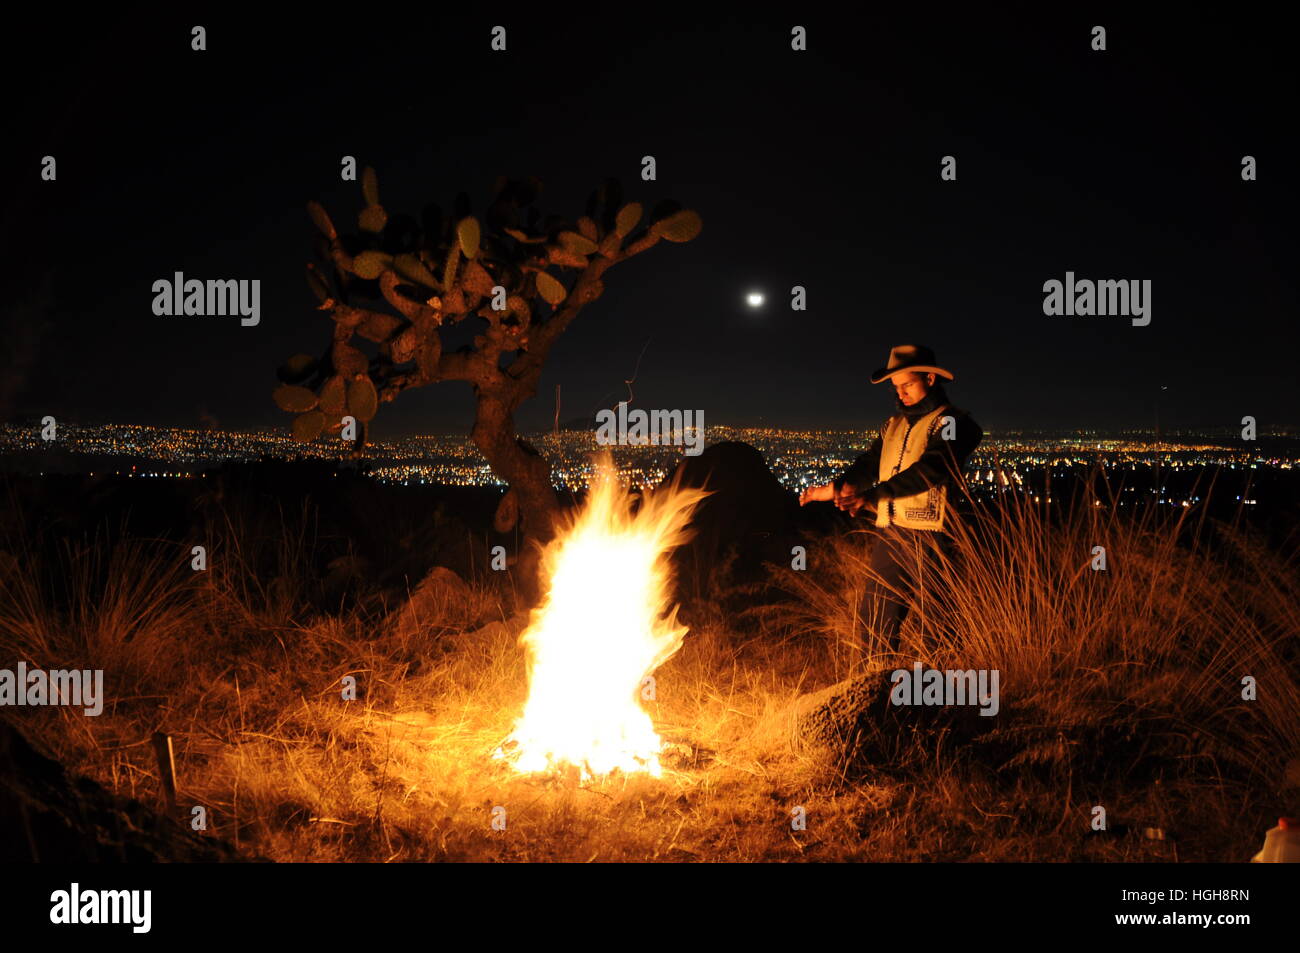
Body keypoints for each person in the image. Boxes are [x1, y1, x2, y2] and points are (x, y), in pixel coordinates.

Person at [799, 345, 982, 653]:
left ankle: (936, 688)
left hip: (932, 535)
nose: (900, 394)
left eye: (907, 385)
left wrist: (874, 496)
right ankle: (877, 683)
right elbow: (869, 463)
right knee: (876, 616)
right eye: (896, 388)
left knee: (936, 620)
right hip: (891, 531)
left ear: (930, 379)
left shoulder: (953, 423)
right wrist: (840, 487)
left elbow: (932, 468)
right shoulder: (892, 425)